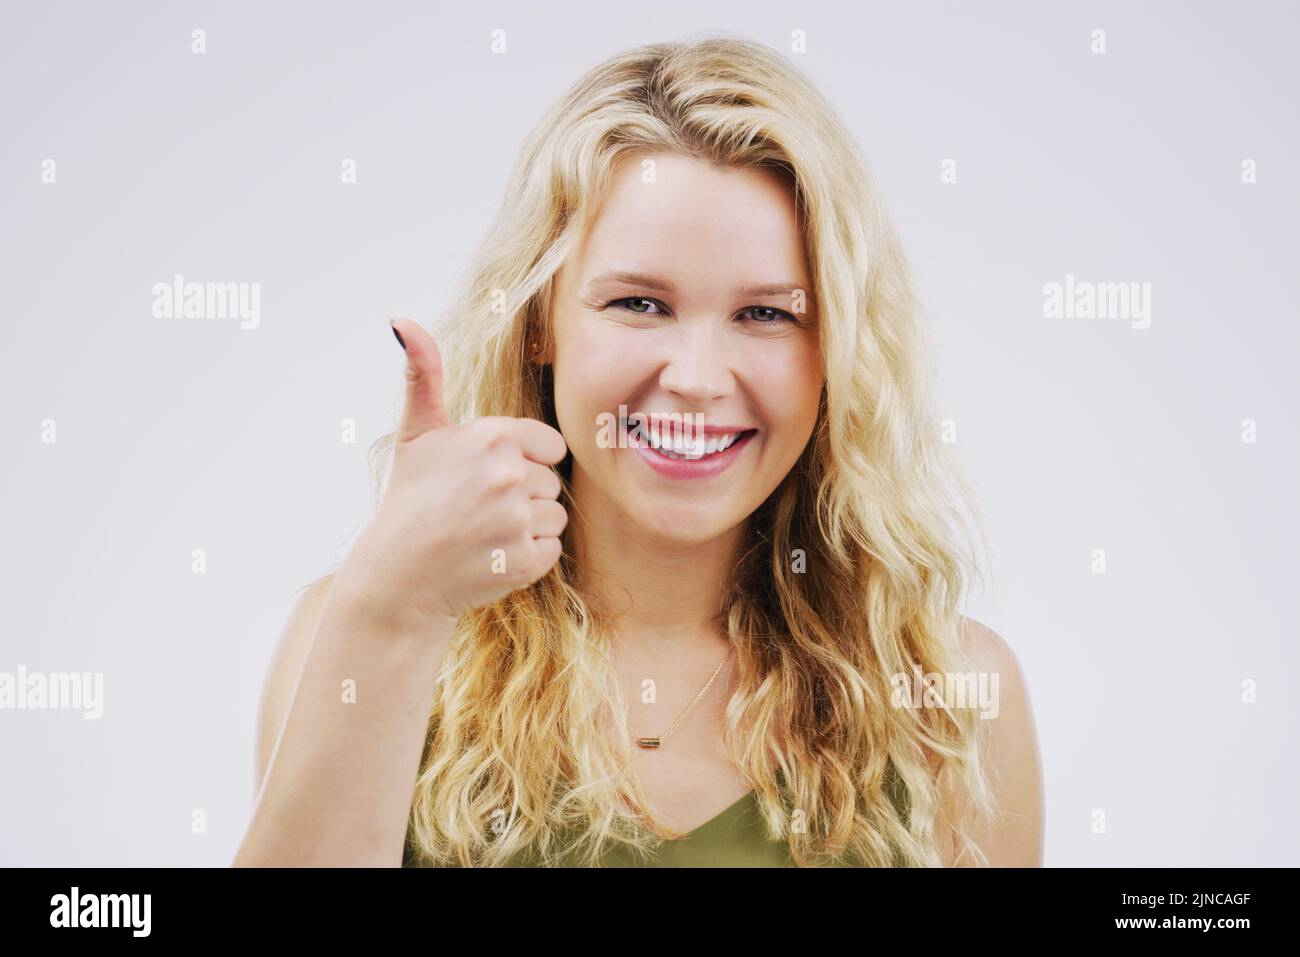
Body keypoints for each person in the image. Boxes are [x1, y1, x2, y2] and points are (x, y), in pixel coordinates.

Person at [233, 33, 1044, 868]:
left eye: (766, 314)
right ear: (541, 322)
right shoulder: (365, 626)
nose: (695, 378)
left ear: (836, 350)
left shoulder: (951, 696)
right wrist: (392, 606)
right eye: (639, 303)